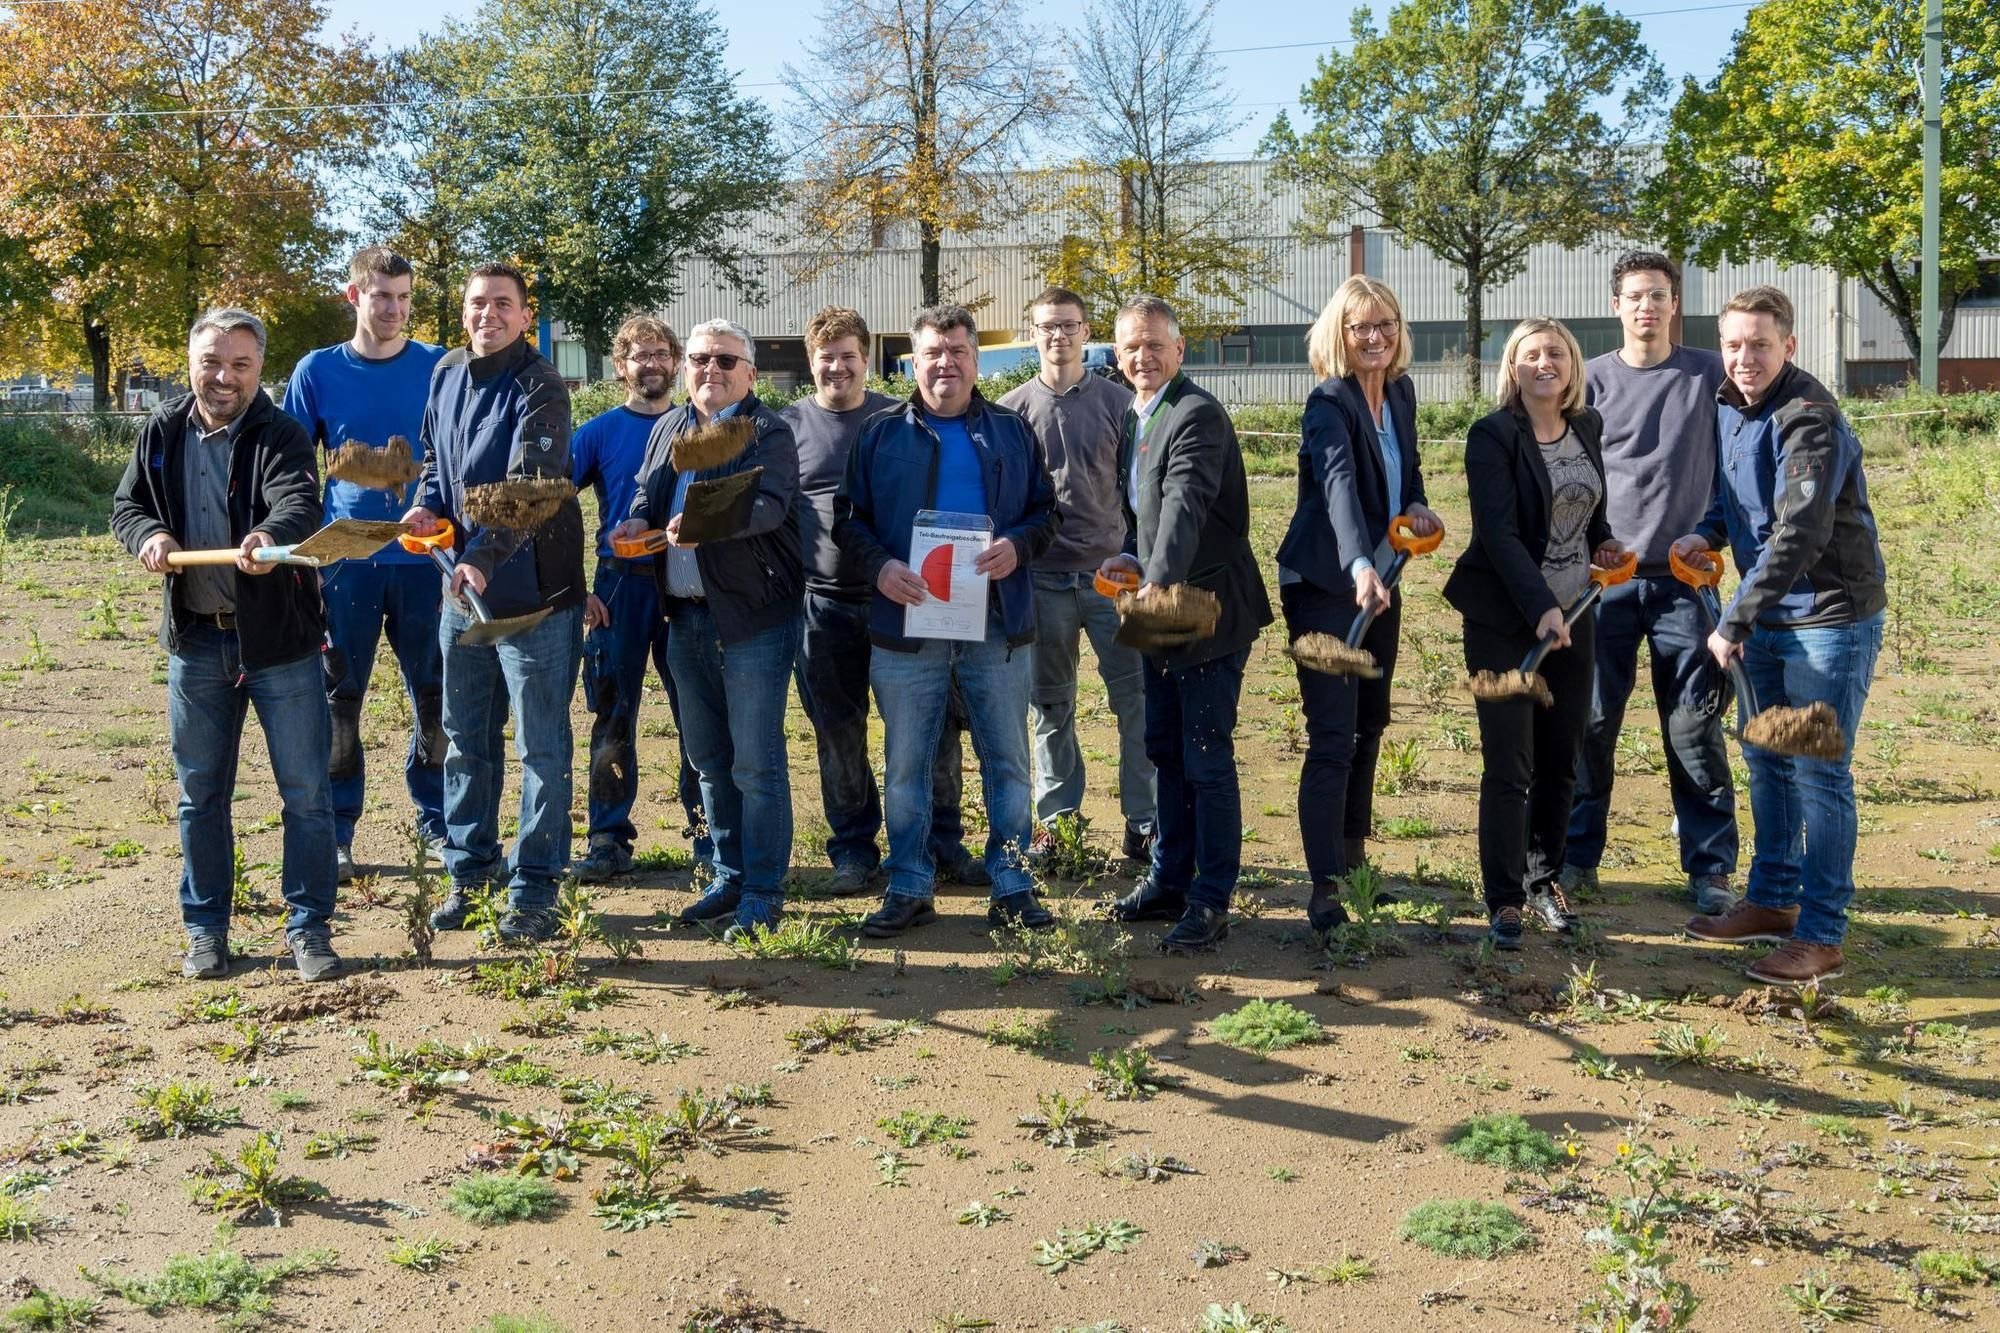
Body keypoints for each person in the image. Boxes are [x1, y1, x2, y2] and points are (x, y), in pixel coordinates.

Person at [111, 308, 342, 981]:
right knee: (200, 793)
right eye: (212, 361)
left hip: (280, 645)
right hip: (197, 645)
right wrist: (149, 535)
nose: (224, 377)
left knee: (304, 792)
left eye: (240, 364)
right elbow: (126, 506)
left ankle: (309, 928)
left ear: (258, 368)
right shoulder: (161, 430)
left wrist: (267, 538)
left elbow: (299, 503)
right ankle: (206, 928)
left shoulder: (281, 432)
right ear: (191, 361)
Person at [1672, 285, 1886, 986]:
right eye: (1733, 344)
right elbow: (1733, 500)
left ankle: (1821, 932)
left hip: (1826, 617)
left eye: (1760, 344)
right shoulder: (1731, 406)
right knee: (1767, 759)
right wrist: (1706, 535)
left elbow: (1798, 529)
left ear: (1789, 346)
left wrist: (1734, 617)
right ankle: (1772, 899)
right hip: (1768, 614)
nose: (1744, 357)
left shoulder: (1809, 418)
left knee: (1820, 775)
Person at [834, 303, 1060, 938]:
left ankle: (1012, 881)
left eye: (957, 351)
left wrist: (1019, 544)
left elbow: (1047, 514)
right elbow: (848, 521)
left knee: (1009, 762)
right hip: (909, 629)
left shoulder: (1013, 433)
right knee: (907, 763)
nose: (946, 364)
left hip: (996, 626)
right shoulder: (880, 435)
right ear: (914, 359)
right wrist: (879, 568)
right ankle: (909, 882)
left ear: (975, 359)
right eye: (933, 352)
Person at [405, 263, 586, 945]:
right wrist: (427, 507)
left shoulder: (541, 384)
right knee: (464, 739)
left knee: (541, 748)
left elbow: (531, 485)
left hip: (533, 594)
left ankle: (535, 887)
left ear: (523, 314)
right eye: (478, 303)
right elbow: (431, 454)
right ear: (463, 312)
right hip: (461, 590)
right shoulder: (448, 371)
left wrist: (481, 557)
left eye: (503, 305)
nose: (489, 315)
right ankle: (471, 871)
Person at [1562, 251, 1738, 914]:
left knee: (1693, 724)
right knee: (1593, 719)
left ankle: (1712, 867)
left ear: (1674, 304)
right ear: (1617, 305)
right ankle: (1577, 856)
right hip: (1604, 583)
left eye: (1658, 295)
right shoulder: (1591, 382)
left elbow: (1740, 460)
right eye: (1636, 296)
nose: (1647, 307)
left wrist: (1716, 535)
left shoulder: (1710, 375)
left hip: (1685, 581)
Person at [785, 306, 982, 893]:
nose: (838, 368)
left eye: (849, 357)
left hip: (911, 600)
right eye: (827, 358)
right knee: (838, 730)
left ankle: (943, 841)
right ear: (811, 363)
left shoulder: (899, 421)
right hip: (824, 606)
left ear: (867, 360)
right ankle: (853, 848)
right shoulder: (786, 426)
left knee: (933, 727)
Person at [615, 320, 803, 937]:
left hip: (752, 621)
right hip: (685, 617)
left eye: (726, 360)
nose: (711, 370)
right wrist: (632, 525)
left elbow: (770, 505)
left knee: (755, 762)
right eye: (700, 359)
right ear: (684, 367)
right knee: (708, 760)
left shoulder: (768, 431)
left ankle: (766, 890)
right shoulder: (672, 427)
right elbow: (645, 493)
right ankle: (729, 874)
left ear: (750, 373)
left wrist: (702, 521)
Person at [1444, 317, 1626, 951]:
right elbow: (1497, 533)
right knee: (1511, 761)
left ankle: (1544, 878)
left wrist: (1603, 541)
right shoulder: (1492, 436)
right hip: (1505, 621)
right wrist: (1541, 606)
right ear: (1512, 369)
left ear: (1572, 366)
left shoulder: (1588, 427)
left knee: (1561, 756)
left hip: (1576, 616)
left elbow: (1588, 508)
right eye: (1531, 355)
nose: (1544, 364)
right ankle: (1503, 899)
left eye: (1556, 353)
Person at [1099, 296, 1272, 953]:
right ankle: (1169, 878)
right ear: (1117, 355)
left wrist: (1157, 576)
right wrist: (1131, 556)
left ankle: (1210, 898)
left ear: (1180, 351)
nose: (1142, 356)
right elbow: (1145, 513)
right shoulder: (1138, 416)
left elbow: (1183, 502)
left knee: (1205, 755)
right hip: (1159, 606)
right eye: (1130, 347)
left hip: (1205, 612)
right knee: (1164, 748)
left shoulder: (1195, 414)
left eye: (1154, 345)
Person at [1274, 276, 1441, 930]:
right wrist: (1358, 562)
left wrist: (1418, 502)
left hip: (1382, 577)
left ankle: (1354, 863)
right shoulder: (1328, 402)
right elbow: (1339, 483)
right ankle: (1323, 889)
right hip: (1324, 583)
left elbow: (1408, 465)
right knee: (1333, 734)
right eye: (1360, 327)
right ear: (1337, 336)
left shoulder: (1399, 392)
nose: (1375, 337)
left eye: (1386, 324)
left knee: (1371, 720)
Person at [281, 246, 449, 884]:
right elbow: (294, 469)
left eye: (404, 298)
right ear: (354, 296)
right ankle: (340, 828)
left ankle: (436, 822)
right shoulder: (317, 371)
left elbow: (454, 454)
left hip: (421, 558)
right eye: (383, 297)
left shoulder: (437, 365)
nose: (396, 310)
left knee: (432, 698)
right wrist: (302, 547)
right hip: (347, 560)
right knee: (339, 700)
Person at [998, 286, 1156, 861]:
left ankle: (1144, 822)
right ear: (1033, 334)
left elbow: (1139, 494)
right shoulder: (1012, 411)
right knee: (1049, 705)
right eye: (1047, 326)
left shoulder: (1119, 404)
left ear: (1087, 333)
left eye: (1069, 325)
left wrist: (1135, 555)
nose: (1058, 335)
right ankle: (1059, 825)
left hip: (1110, 579)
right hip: (1042, 579)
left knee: (1135, 700)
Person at [570, 316, 709, 882]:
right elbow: (551, 507)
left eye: (660, 353)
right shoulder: (598, 432)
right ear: (620, 366)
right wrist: (574, 589)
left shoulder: (699, 427)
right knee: (613, 713)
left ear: (675, 361)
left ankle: (709, 836)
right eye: (638, 355)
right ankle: (607, 838)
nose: (650, 363)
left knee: (698, 715)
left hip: (688, 585)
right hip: (619, 588)